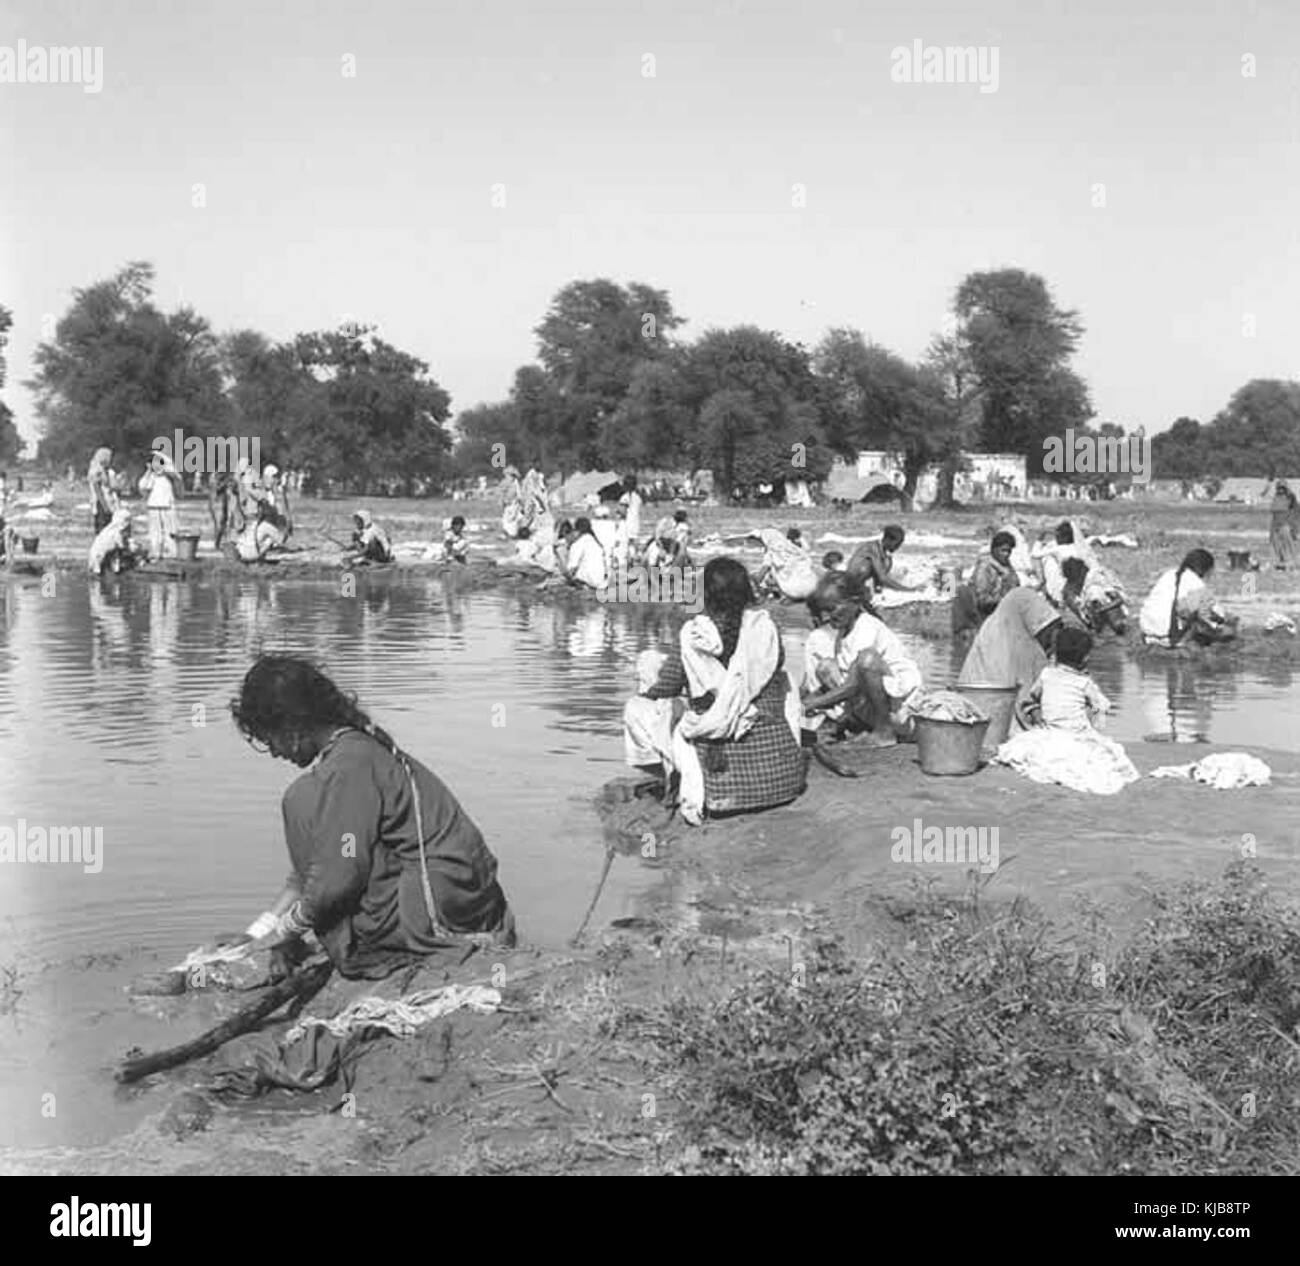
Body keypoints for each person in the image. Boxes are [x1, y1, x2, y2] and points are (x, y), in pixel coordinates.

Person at [226, 655, 514, 978]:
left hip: (443, 905)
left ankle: (395, 939)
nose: (276, 752)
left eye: (270, 741)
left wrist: (285, 933)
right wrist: (259, 932)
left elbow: (337, 876)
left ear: (292, 727)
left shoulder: (349, 766)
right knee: (306, 804)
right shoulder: (354, 748)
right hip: (464, 892)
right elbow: (308, 874)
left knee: (301, 801)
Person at [621, 558, 805, 826]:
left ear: (705, 594)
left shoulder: (693, 634)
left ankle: (671, 780)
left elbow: (667, 687)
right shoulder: (766, 627)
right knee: (785, 682)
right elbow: (771, 668)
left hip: (724, 794)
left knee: (638, 707)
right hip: (783, 784)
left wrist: (647, 688)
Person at [997, 627, 1139, 795]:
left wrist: (1037, 711)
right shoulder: (1084, 683)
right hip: (1076, 734)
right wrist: (1096, 724)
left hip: (1051, 733)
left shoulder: (1046, 674)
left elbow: (1033, 696)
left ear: (1055, 654)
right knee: (1106, 753)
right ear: (1085, 658)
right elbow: (1100, 706)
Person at [801, 572, 923, 748]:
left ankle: (884, 733)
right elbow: (844, 677)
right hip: (877, 707)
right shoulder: (845, 631)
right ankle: (851, 724)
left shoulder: (867, 628)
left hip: (901, 712)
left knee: (867, 660)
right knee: (825, 666)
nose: (826, 617)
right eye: (824, 610)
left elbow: (852, 685)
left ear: (855, 602)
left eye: (832, 609)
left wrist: (813, 703)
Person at [957, 586, 1062, 724]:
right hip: (990, 716)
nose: (1048, 642)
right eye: (1046, 633)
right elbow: (1026, 695)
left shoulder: (999, 630)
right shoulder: (1013, 643)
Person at [1138, 549, 1238, 647]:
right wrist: (1228, 621)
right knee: (1207, 623)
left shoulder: (1169, 574)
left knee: (1189, 609)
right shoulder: (1197, 584)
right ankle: (1180, 642)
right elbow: (1216, 613)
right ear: (1207, 570)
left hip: (1146, 632)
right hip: (1167, 636)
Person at [951, 531, 1018, 637]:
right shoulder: (985, 568)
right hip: (983, 614)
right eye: (1003, 550)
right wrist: (1006, 599)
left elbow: (1015, 587)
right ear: (994, 550)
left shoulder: (1007, 568)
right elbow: (983, 600)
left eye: (1009, 551)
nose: (1006, 554)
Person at [845, 524, 917, 595]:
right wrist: (909, 590)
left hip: (857, 587)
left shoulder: (885, 557)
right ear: (887, 539)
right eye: (897, 543)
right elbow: (883, 578)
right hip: (848, 585)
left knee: (887, 562)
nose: (898, 547)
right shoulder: (871, 549)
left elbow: (879, 580)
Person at [752, 527, 819, 601]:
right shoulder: (795, 547)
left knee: (766, 574)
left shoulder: (771, 552)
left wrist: (755, 584)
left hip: (792, 591)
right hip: (810, 588)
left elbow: (763, 572)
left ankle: (770, 595)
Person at [138, 451, 182, 559]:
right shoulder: (151, 476)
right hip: (153, 506)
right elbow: (143, 487)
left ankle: (172, 553)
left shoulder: (169, 475)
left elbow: (177, 476)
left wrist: (162, 462)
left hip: (167, 505)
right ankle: (156, 553)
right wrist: (149, 471)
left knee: (170, 530)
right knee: (154, 532)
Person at [87, 507, 136, 575]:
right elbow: (121, 546)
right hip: (98, 556)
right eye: (127, 521)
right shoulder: (115, 532)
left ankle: (115, 570)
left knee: (115, 553)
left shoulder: (110, 529)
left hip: (104, 553)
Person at [565, 517, 608, 589]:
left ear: (577, 530)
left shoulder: (578, 543)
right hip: (600, 579)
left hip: (588, 579)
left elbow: (572, 567)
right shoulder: (595, 541)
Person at [208, 471, 244, 549]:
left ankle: (221, 542)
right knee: (219, 525)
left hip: (223, 503)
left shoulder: (224, 476)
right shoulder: (213, 477)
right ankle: (217, 544)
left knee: (224, 524)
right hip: (216, 504)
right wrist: (226, 482)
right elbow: (217, 488)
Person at [88, 447, 119, 533]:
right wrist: (105, 506)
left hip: (108, 501)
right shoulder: (97, 471)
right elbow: (98, 490)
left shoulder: (106, 471)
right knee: (103, 529)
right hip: (102, 503)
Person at [1270, 481, 1296, 569]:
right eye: (1279, 488)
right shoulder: (1275, 498)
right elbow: (1274, 513)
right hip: (1275, 524)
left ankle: (1292, 561)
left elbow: (1294, 509)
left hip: (1285, 524)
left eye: (1282, 488)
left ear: (1285, 489)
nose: (1280, 490)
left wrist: (1293, 526)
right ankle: (1281, 561)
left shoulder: (1289, 497)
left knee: (1288, 543)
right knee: (1276, 544)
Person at [621, 476, 643, 553]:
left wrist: (618, 512)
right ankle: (636, 558)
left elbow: (623, 512)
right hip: (636, 523)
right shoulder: (638, 497)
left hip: (627, 523)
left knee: (625, 544)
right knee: (634, 544)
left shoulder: (624, 497)